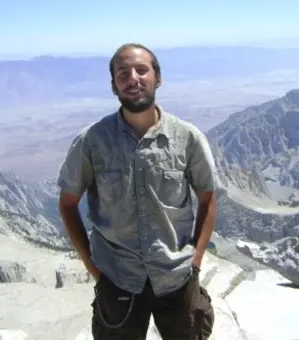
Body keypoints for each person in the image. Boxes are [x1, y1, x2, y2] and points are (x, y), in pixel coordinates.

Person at [57, 43, 217, 340]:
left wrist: (194, 264)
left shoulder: (188, 138)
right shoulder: (92, 141)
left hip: (177, 279)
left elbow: (208, 199)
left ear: (158, 78)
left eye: (142, 70)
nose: (133, 78)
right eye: (123, 73)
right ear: (114, 85)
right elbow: (67, 204)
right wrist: (95, 270)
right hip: (117, 280)